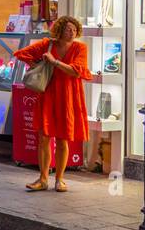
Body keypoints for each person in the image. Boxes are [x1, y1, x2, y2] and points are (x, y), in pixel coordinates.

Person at [14, 15, 92, 192]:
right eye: (67, 29)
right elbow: (21, 53)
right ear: (60, 30)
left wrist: (53, 62)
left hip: (69, 95)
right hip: (48, 92)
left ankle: (59, 179)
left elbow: (75, 71)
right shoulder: (47, 44)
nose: (72, 32)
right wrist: (39, 65)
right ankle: (42, 179)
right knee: (44, 138)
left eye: (74, 29)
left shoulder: (80, 48)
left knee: (63, 139)